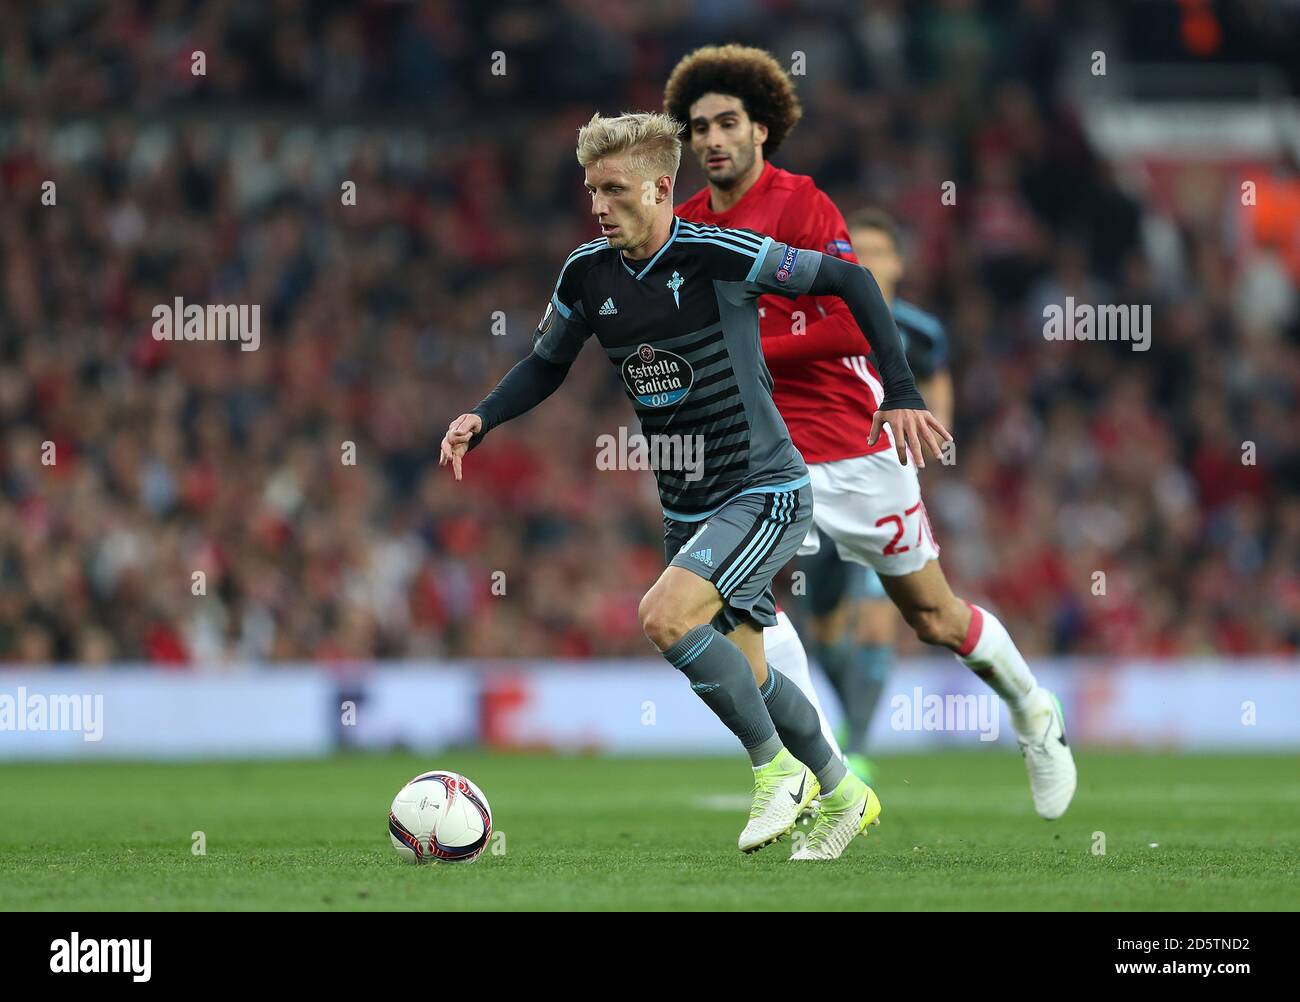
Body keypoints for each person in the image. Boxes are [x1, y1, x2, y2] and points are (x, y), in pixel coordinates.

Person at [439, 110, 949, 858]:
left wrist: (900, 390)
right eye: (591, 192)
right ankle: (845, 792)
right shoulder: (587, 274)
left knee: (663, 617)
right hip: (687, 504)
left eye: (614, 191)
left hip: (766, 487)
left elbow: (849, 278)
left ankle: (777, 772)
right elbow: (548, 364)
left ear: (658, 187)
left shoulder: (717, 252)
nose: (599, 206)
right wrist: (482, 417)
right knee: (752, 670)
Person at [667, 45, 1076, 819]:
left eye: (728, 123)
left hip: (853, 450)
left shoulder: (804, 205)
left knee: (932, 616)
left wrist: (756, 349)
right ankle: (815, 772)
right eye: (699, 128)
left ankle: (1032, 710)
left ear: (761, 130)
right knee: (736, 600)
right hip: (762, 457)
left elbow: (851, 318)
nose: (713, 140)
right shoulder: (686, 227)